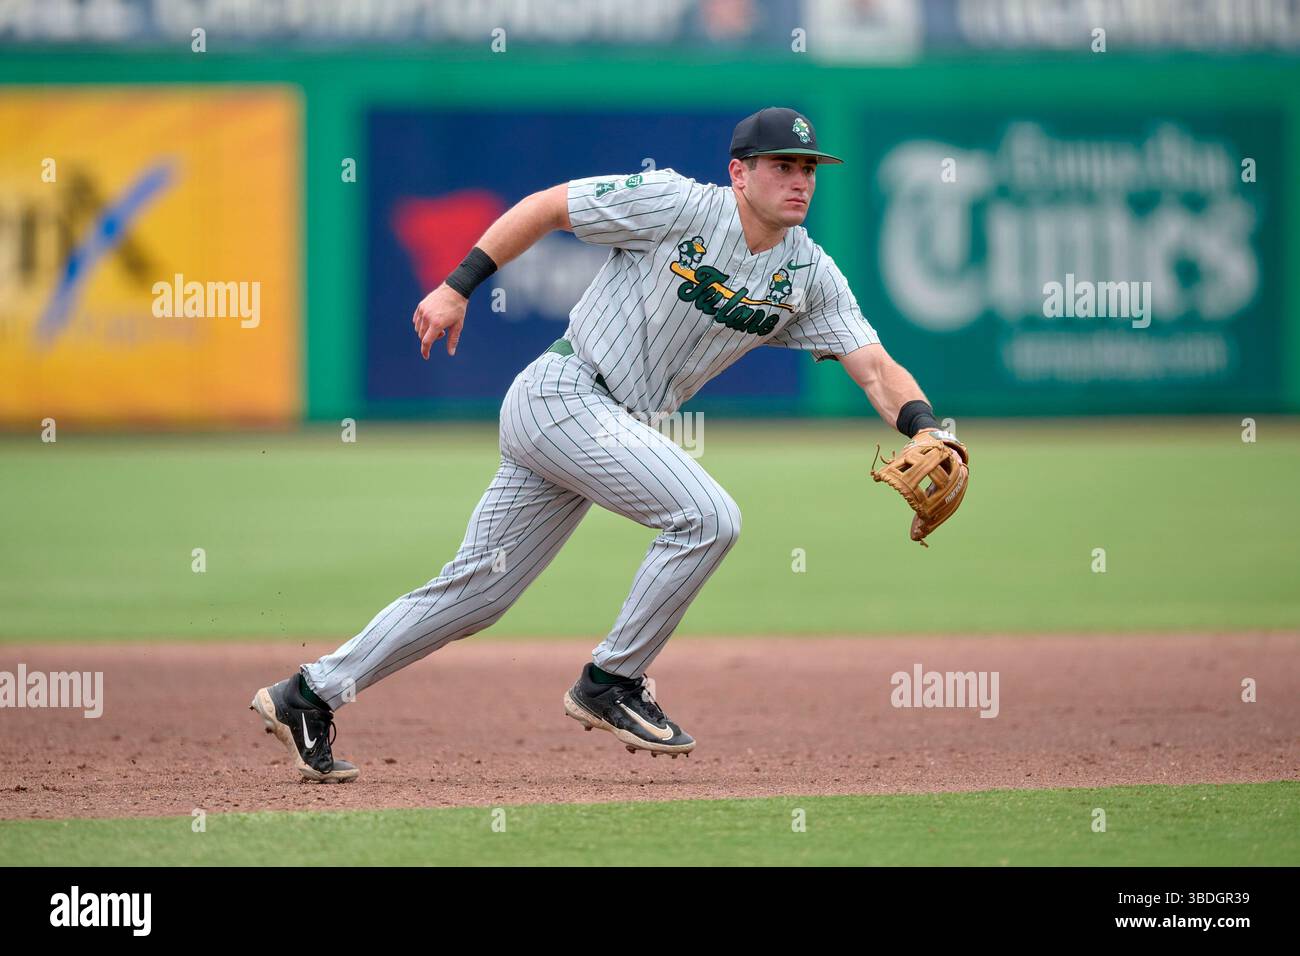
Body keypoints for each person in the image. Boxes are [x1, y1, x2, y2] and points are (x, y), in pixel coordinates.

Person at [250, 107, 960, 782]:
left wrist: (926, 426)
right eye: (782, 164)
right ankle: (611, 681)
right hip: (565, 393)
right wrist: (457, 285)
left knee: (475, 595)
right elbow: (545, 206)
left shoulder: (810, 275)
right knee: (708, 518)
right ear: (740, 172)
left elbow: (873, 366)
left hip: (598, 425)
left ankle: (308, 694)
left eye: (809, 167)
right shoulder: (677, 203)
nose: (801, 179)